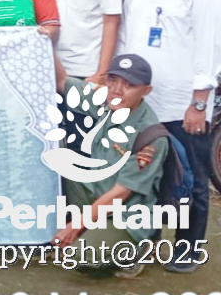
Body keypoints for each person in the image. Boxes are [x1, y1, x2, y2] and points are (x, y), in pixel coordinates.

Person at [119, 0, 221, 271]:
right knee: (145, 176)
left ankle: (188, 249)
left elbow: (211, 49)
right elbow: (127, 39)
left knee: (190, 178)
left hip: (185, 105)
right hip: (143, 103)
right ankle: (144, 241)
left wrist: (199, 102)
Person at [52, 54, 169, 276]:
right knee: (53, 164)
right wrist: (47, 37)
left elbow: (121, 193)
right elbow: (61, 80)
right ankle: (88, 229)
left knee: (79, 256)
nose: (117, 89)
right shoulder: (106, 101)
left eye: (129, 85)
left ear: (146, 91)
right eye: (113, 80)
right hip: (94, 194)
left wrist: (75, 225)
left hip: (125, 214)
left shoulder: (150, 137)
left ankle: (134, 251)